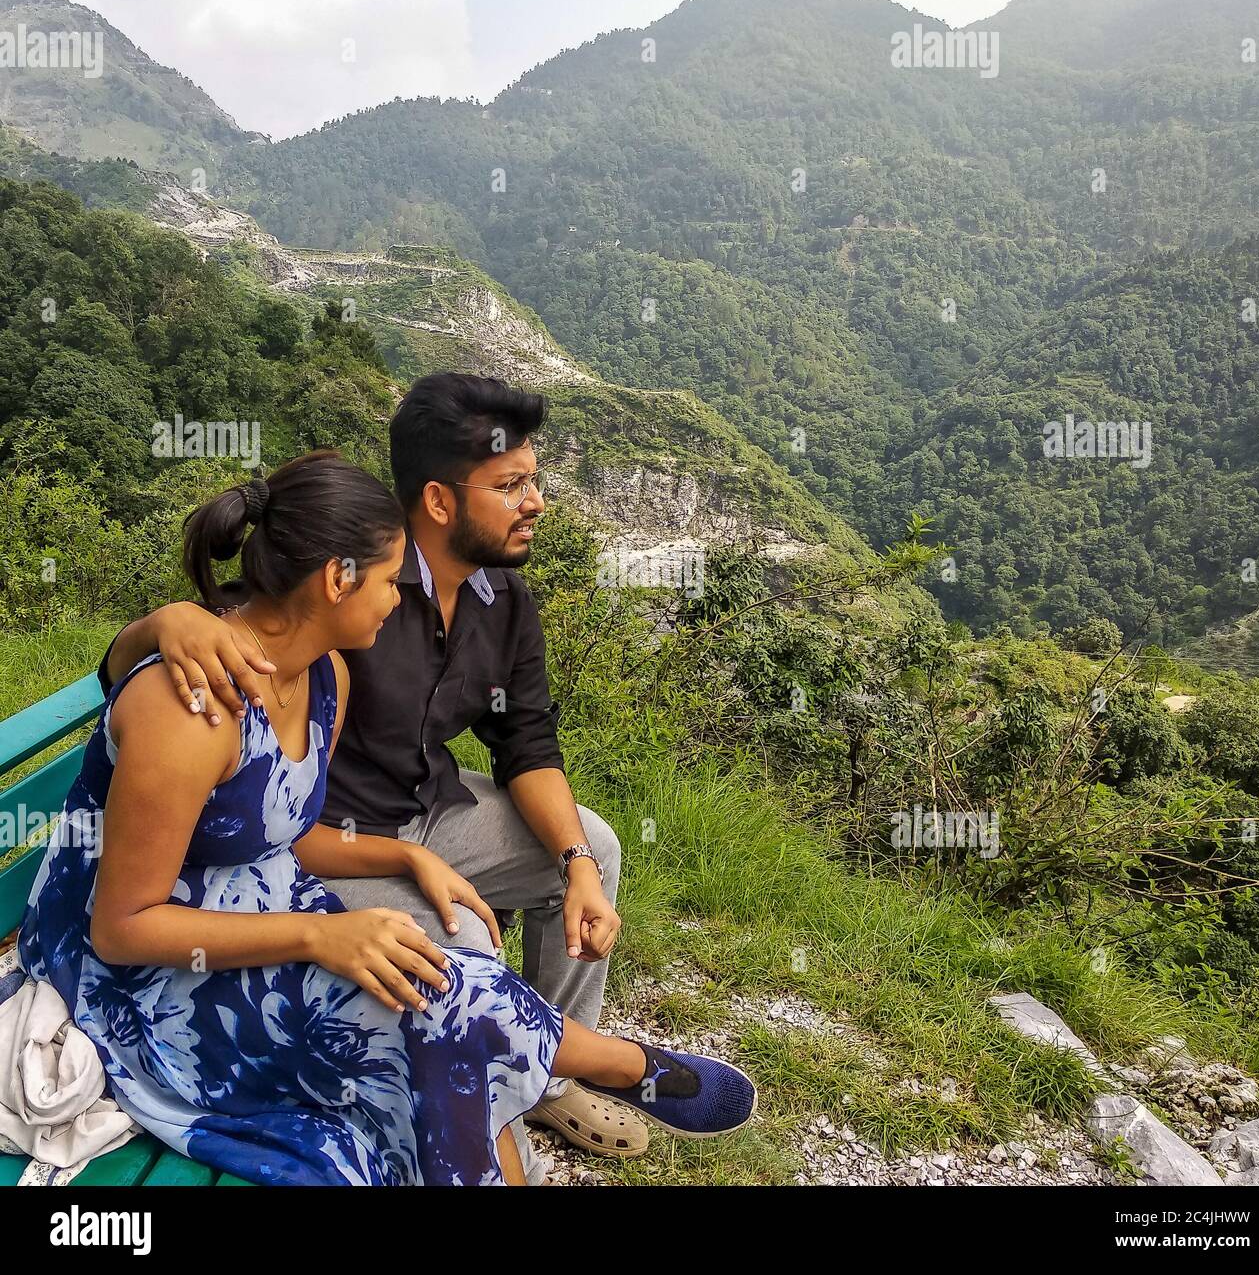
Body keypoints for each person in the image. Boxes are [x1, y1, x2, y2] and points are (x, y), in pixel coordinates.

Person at [18, 452, 755, 1186]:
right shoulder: (194, 713)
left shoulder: (325, 675)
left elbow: (288, 834)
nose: (397, 601)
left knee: (432, 1001)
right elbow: (122, 928)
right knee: (439, 1006)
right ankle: (619, 1064)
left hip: (257, 909)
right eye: (386, 581)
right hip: (148, 977)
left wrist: (406, 859)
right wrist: (321, 933)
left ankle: (595, 1073)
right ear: (338, 578)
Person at [100, 374, 645, 1180]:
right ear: (438, 499)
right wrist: (164, 619)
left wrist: (577, 867)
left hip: (419, 817)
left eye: (535, 480)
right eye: (511, 485)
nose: (536, 502)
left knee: (590, 843)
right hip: (326, 839)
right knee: (458, 953)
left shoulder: (497, 601)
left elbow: (527, 744)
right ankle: (518, 1104)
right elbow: (199, 655)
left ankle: (553, 1071)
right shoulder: (347, 592)